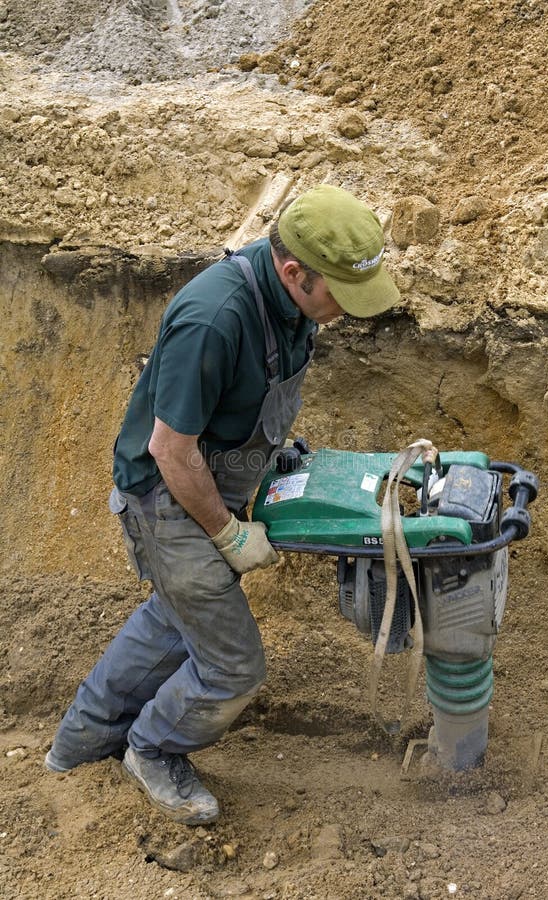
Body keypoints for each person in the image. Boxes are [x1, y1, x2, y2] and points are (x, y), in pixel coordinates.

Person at [45, 184, 401, 825]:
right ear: (293, 272)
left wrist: (271, 457)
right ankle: (152, 750)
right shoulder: (214, 318)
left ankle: (76, 747)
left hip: (212, 476)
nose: (347, 311)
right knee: (232, 667)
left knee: (173, 620)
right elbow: (170, 449)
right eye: (341, 295)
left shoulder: (294, 305)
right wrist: (228, 534)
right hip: (167, 495)